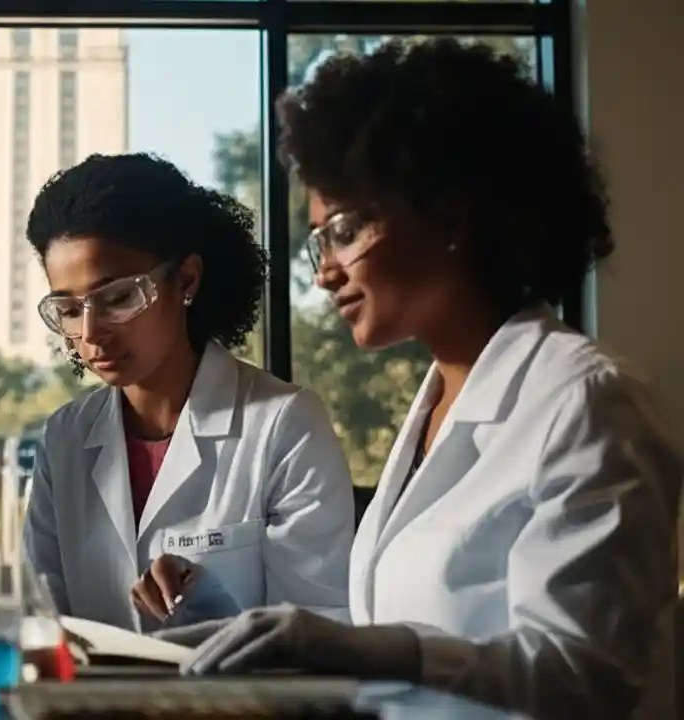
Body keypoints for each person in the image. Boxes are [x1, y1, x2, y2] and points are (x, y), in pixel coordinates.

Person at [157, 39, 682, 720]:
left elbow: (585, 678)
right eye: (320, 242)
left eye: (344, 230)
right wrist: (233, 622)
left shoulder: (588, 402)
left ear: (452, 216)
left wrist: (380, 653)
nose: (324, 272)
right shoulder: (437, 397)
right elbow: (414, 633)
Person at [22, 153, 354, 633]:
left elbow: (320, 631)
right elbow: (41, 622)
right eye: (69, 309)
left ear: (186, 280)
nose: (91, 332)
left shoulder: (285, 424)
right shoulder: (64, 438)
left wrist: (209, 604)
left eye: (118, 298)